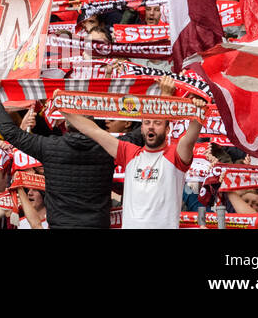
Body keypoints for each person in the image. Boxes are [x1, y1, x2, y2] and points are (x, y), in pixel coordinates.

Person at [62, 77, 202, 229]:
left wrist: (198, 113)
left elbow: (190, 137)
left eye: (157, 123)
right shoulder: (129, 152)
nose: (151, 127)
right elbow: (93, 130)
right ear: (141, 128)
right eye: (147, 123)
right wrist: (63, 108)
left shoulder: (175, 154)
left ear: (168, 130)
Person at [0, 75, 115, 228]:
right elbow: (141, 136)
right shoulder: (111, 148)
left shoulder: (49, 147)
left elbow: (11, 133)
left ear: (66, 122)